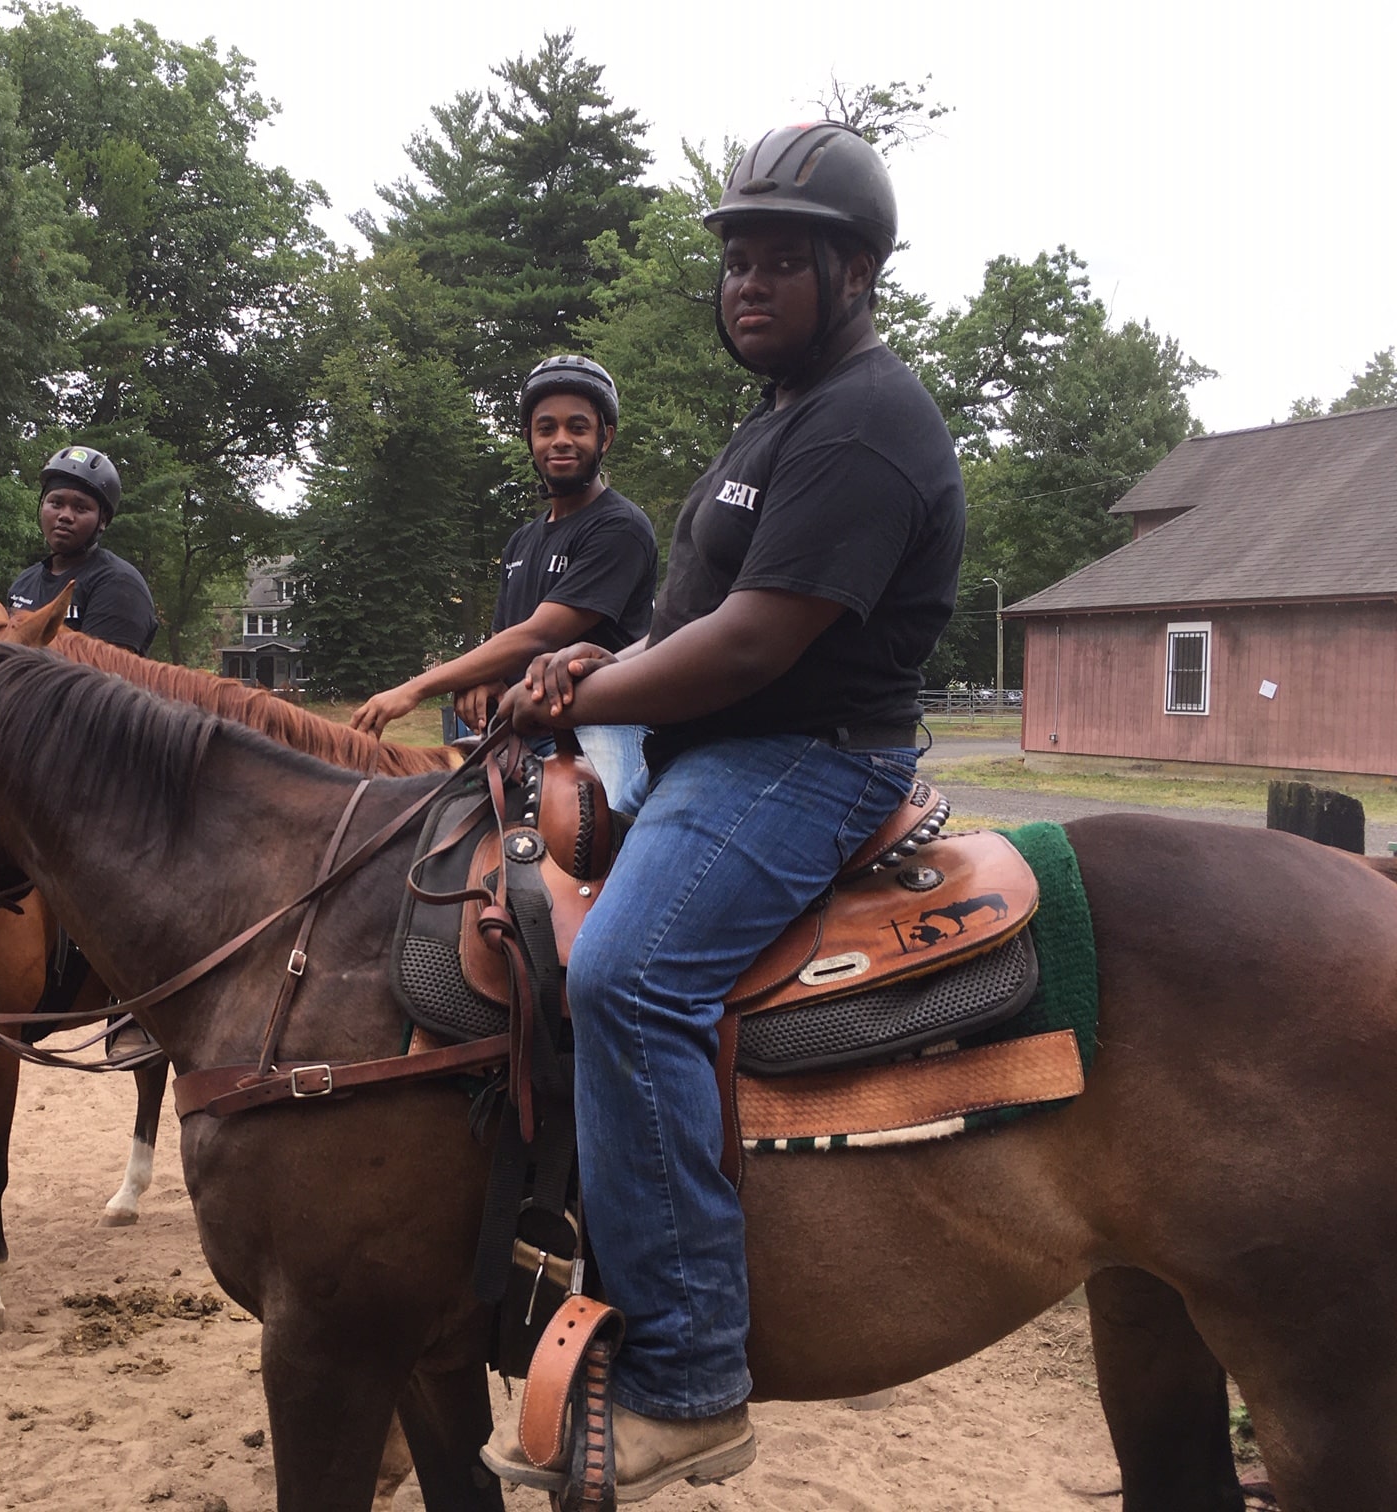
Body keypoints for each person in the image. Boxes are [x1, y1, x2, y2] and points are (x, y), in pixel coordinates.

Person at [481, 122, 966, 1498]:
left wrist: (585, 698)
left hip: (803, 759)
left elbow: (756, 643)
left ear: (857, 271)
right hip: (722, 747)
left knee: (628, 979)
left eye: (781, 263)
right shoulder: (784, 414)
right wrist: (597, 660)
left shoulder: (867, 422)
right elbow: (694, 610)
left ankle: (690, 1377)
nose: (747, 285)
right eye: (735, 262)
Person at [348, 356, 657, 813]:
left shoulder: (620, 527)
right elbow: (507, 639)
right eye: (546, 428)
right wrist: (484, 678)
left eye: (578, 427)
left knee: (596, 836)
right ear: (530, 439)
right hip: (519, 725)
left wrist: (411, 690)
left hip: (601, 722)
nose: (561, 441)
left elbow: (542, 634)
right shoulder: (521, 542)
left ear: (604, 437)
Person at [7, 445, 158, 656]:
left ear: (102, 520)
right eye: (56, 503)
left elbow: (99, 679)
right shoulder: (24, 583)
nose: (65, 516)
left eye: (81, 508)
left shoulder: (119, 585)